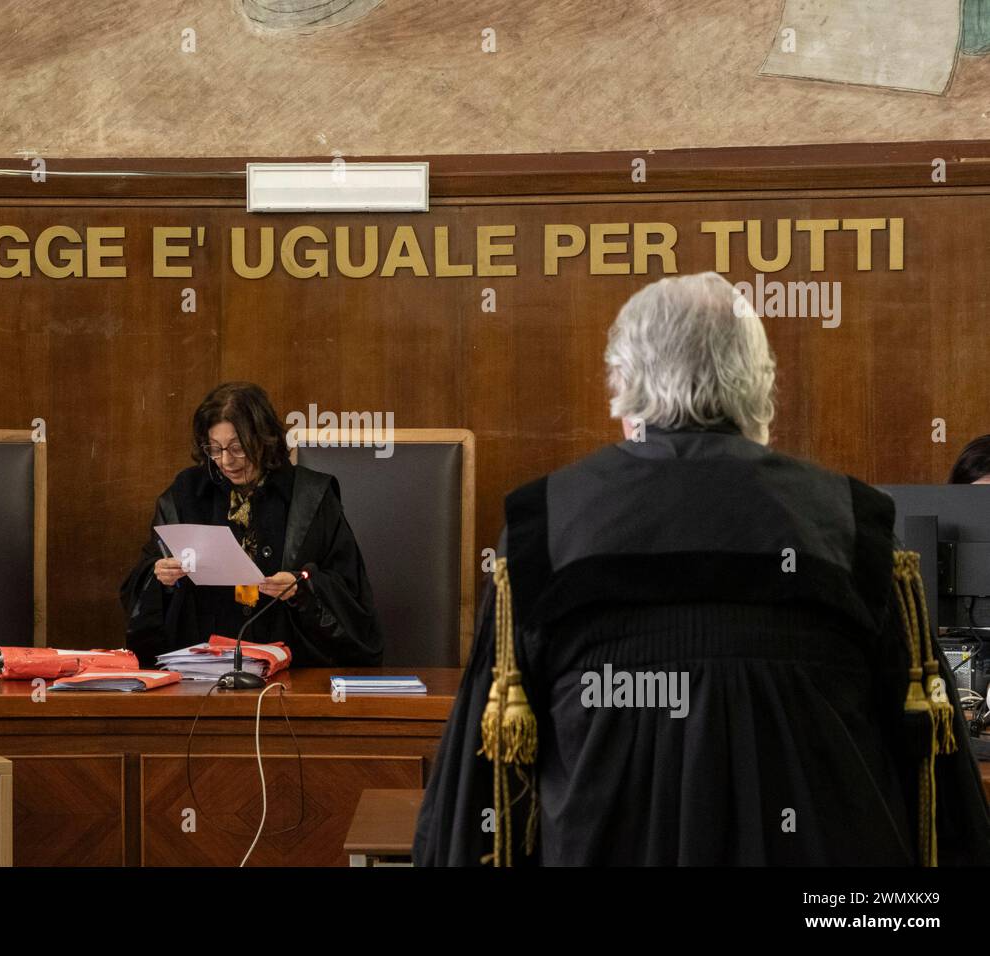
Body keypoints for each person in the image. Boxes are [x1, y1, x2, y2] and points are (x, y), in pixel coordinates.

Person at [414, 272, 990, 866]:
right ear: (763, 388)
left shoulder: (547, 528)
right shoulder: (852, 525)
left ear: (623, 387)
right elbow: (932, 790)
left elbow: (484, 799)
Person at [120, 381, 383, 668]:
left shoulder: (310, 497)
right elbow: (145, 577)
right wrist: (161, 576)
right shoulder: (186, 494)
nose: (226, 461)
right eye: (215, 449)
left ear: (263, 439)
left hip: (293, 665)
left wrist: (301, 589)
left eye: (238, 448)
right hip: (202, 666)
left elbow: (350, 590)